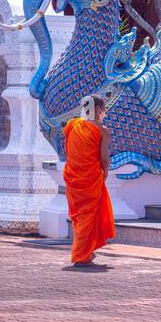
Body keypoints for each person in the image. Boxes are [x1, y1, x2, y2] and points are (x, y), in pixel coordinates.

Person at [62, 93, 116, 267]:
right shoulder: (102, 129)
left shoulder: (72, 125)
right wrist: (105, 173)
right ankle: (81, 255)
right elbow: (104, 157)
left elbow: (69, 151)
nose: (104, 113)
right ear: (98, 109)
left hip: (74, 177)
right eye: (103, 109)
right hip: (91, 178)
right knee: (89, 217)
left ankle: (87, 251)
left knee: (81, 218)